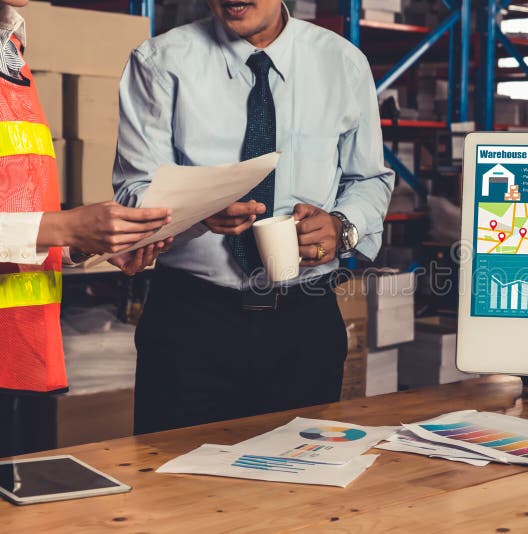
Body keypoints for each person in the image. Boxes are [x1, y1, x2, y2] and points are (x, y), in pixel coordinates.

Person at [113, 0, 394, 434]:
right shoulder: (159, 62)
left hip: (305, 322)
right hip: (190, 322)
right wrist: (198, 210)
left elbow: (370, 178)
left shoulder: (342, 64)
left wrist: (343, 226)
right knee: (172, 492)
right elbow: (134, 192)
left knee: (297, 487)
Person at [0, 0, 171, 456]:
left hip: (18, 348)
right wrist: (68, 227)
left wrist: (85, 242)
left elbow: (16, 199)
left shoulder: (10, 41)